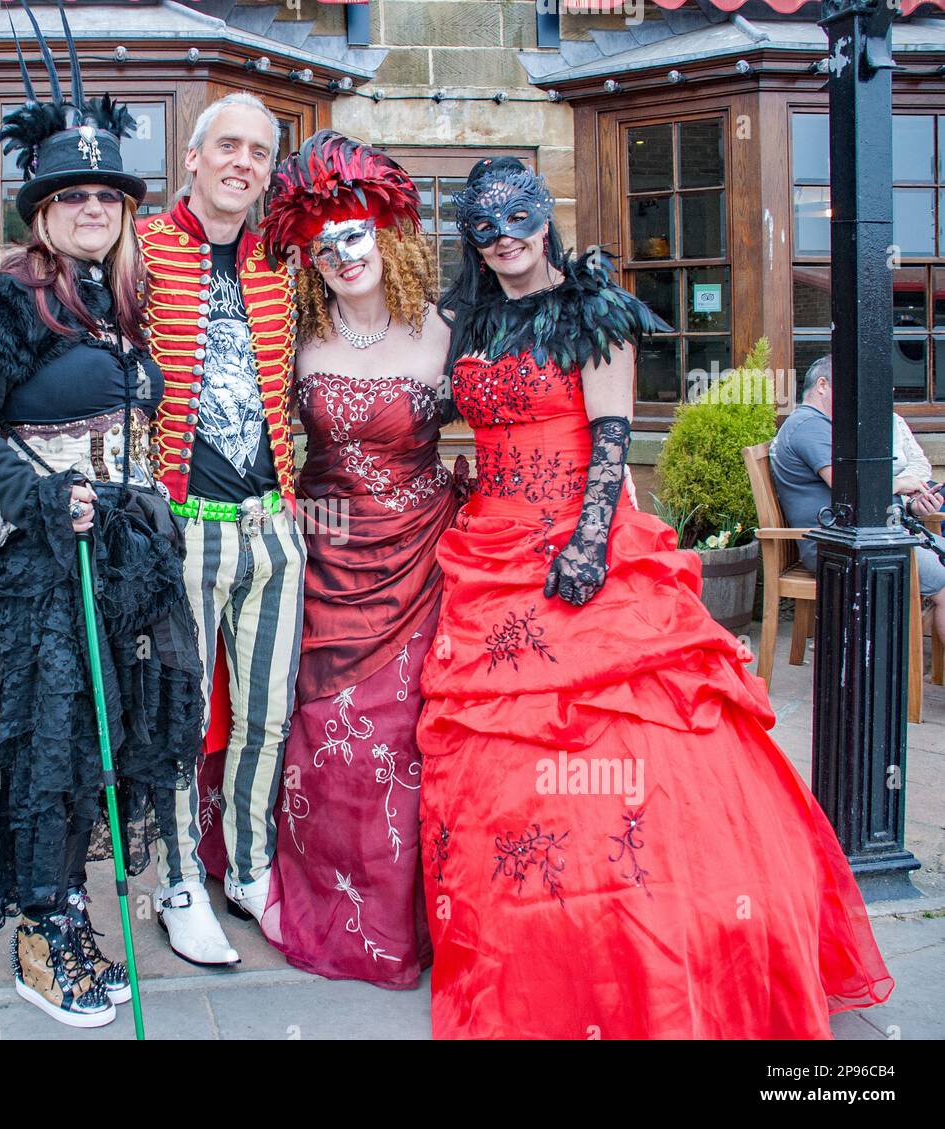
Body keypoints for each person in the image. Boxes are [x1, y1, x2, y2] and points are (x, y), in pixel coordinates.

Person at [416, 156, 893, 1038]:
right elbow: (477, 417)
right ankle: (536, 943)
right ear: (470, 239)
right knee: (498, 750)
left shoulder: (593, 311)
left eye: (518, 217)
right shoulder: (473, 318)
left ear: (544, 216)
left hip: (574, 546)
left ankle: (638, 941)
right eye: (484, 226)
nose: (504, 237)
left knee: (628, 738)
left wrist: (590, 543)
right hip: (490, 546)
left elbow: (610, 437)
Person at [0, 11, 201, 1027]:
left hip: (118, 551)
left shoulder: (110, 295)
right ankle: (44, 935)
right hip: (42, 560)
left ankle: (73, 917)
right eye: (71, 195)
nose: (92, 206)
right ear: (41, 211)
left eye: (106, 194)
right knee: (49, 741)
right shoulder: (13, 296)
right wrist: (40, 496)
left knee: (102, 737)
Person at [255, 131, 462, 987]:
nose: (340, 255)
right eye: (321, 242)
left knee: (410, 738)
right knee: (324, 733)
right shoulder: (291, 336)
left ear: (390, 235)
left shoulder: (445, 334)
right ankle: (330, 904)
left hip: (423, 561)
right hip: (328, 559)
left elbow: (512, 420)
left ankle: (414, 919)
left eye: (354, 235)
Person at [137, 93, 304, 966]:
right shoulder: (143, 245)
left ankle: (247, 865)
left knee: (267, 717)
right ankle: (176, 884)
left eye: (259, 152)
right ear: (194, 158)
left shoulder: (285, 257)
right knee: (179, 714)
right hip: (184, 527)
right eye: (227, 146)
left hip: (274, 524)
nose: (242, 161)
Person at [771, 355, 945, 642]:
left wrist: (911, 505)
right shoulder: (809, 426)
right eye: (851, 387)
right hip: (840, 548)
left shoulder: (821, 425)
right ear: (823, 386)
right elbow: (848, 487)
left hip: (862, 536)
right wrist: (902, 483)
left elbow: (863, 493)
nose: (858, 396)